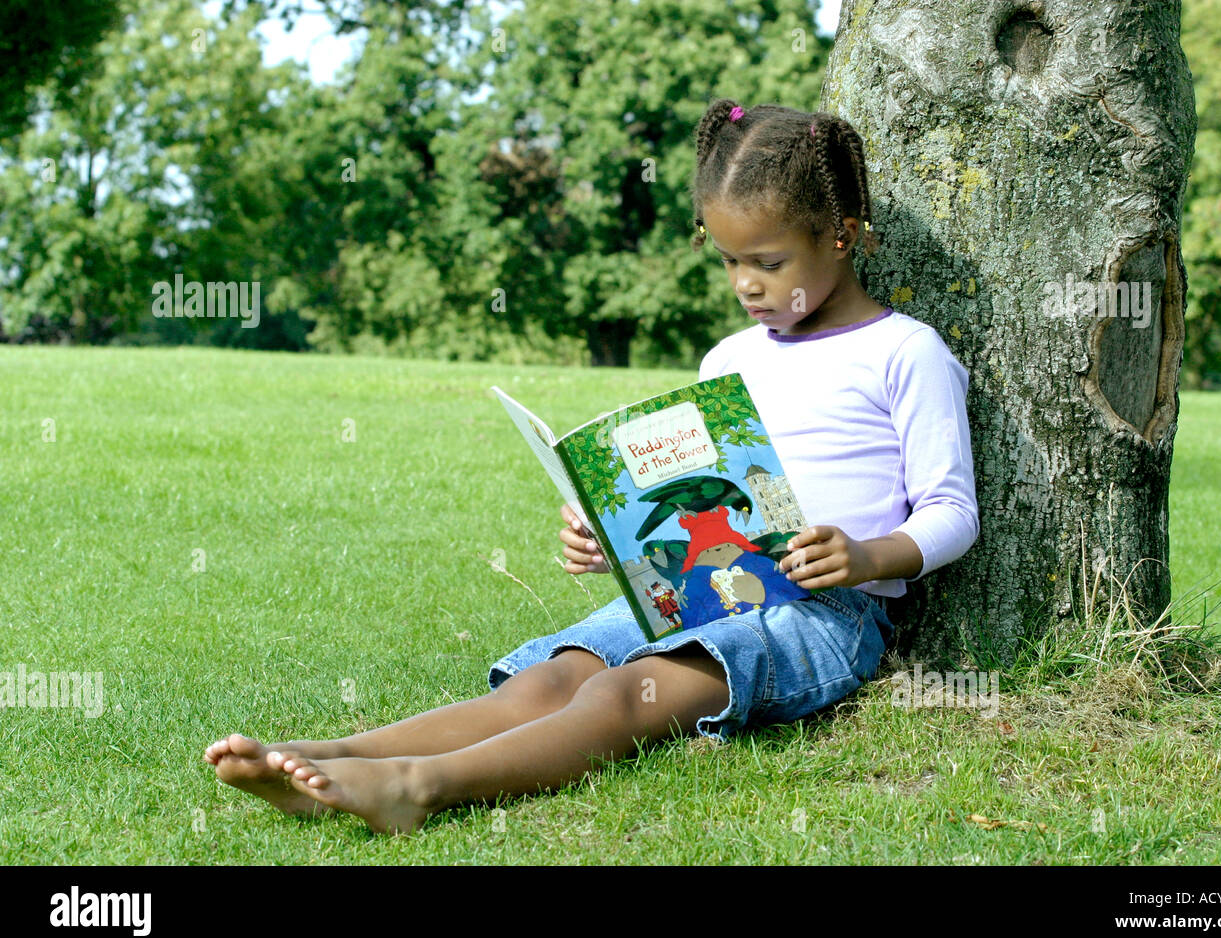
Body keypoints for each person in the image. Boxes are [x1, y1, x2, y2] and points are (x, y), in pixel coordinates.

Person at [202, 99, 980, 835]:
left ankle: (416, 788)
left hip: (818, 617)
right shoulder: (730, 358)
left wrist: (866, 557)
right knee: (551, 677)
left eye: (769, 262)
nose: (746, 283)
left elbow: (952, 511)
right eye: (729, 260)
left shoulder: (903, 353)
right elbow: (697, 500)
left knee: (621, 691)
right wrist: (613, 540)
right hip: (704, 593)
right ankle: (332, 757)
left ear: (841, 236)